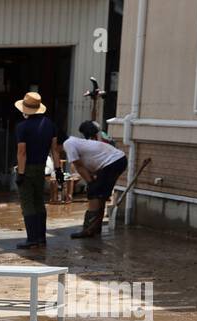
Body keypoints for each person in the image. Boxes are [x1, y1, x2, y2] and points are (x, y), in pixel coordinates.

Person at [63, 120, 128, 239]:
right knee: (100, 195)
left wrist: (90, 182)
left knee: (94, 192)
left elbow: (79, 166)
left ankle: (88, 229)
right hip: (117, 160)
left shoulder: (69, 144)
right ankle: (95, 228)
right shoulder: (87, 142)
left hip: (112, 162)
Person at [13, 91, 57, 250]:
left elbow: (22, 153)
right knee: (39, 201)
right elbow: (55, 150)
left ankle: (31, 239)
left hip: (28, 168)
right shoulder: (50, 124)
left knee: (27, 203)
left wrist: (21, 173)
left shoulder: (22, 127)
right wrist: (58, 169)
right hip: (41, 168)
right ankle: (41, 238)